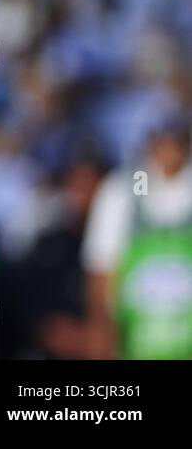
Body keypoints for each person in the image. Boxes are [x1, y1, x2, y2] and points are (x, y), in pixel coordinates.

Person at [82, 114, 192, 359]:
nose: (169, 149)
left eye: (176, 140)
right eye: (162, 140)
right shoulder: (120, 192)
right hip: (135, 346)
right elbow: (101, 279)